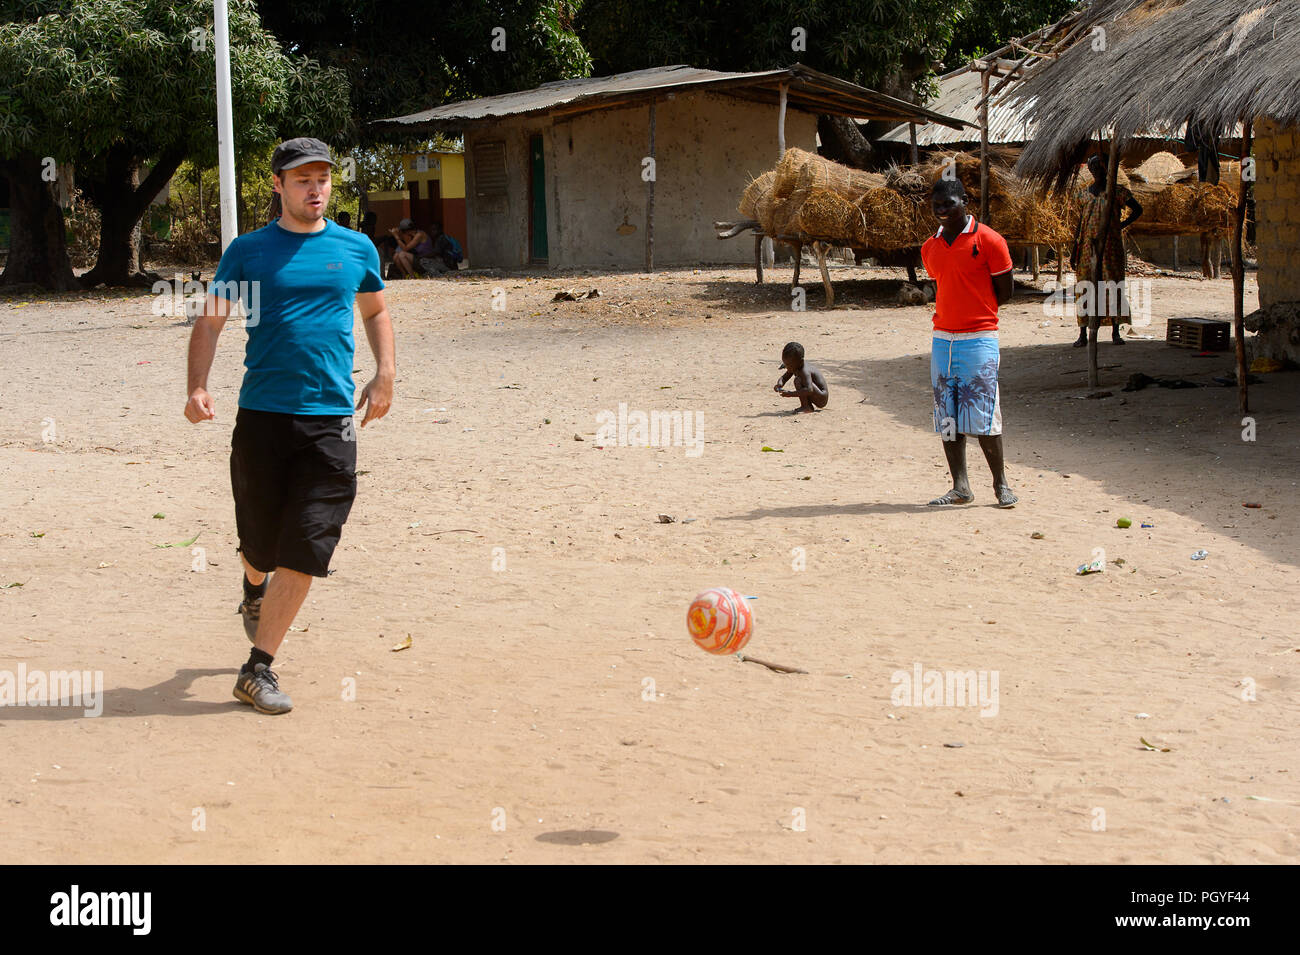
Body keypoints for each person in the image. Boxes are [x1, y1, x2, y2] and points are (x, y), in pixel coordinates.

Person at [184, 137, 395, 715]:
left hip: (331, 420)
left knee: (307, 543)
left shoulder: (356, 249)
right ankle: (254, 584)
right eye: (303, 179)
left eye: (323, 178)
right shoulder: (249, 253)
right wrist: (197, 387)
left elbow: (375, 312)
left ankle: (258, 669)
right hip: (263, 419)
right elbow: (211, 322)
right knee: (261, 543)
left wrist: (386, 374)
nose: (316, 188)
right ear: (277, 185)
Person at [920, 177, 1017, 508]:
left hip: (980, 338)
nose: (943, 210)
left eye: (949, 203)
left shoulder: (990, 240)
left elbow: (1005, 291)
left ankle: (1001, 485)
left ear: (965, 201)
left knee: (985, 413)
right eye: (937, 205)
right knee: (947, 416)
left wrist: (978, 315)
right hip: (942, 340)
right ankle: (960, 486)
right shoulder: (929, 248)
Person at [1071, 154, 1143, 347]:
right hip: (1087, 247)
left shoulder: (1117, 192)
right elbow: (1080, 222)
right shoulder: (1084, 194)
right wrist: (1075, 247)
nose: (1097, 171)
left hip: (1111, 246)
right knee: (1085, 287)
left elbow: (1138, 209)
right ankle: (1083, 333)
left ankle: (1115, 331)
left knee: (1112, 285)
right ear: (1091, 170)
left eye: (1100, 167)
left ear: (1107, 169)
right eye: (1093, 168)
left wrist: (1121, 225)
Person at [773, 341, 828, 412]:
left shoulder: (804, 371)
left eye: (789, 365)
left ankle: (806, 407)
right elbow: (784, 378)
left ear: (800, 362)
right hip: (815, 394)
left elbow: (809, 389)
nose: (787, 367)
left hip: (821, 398)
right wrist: (779, 385)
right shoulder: (795, 366)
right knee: (799, 380)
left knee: (798, 380)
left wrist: (791, 394)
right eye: (785, 364)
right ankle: (807, 406)